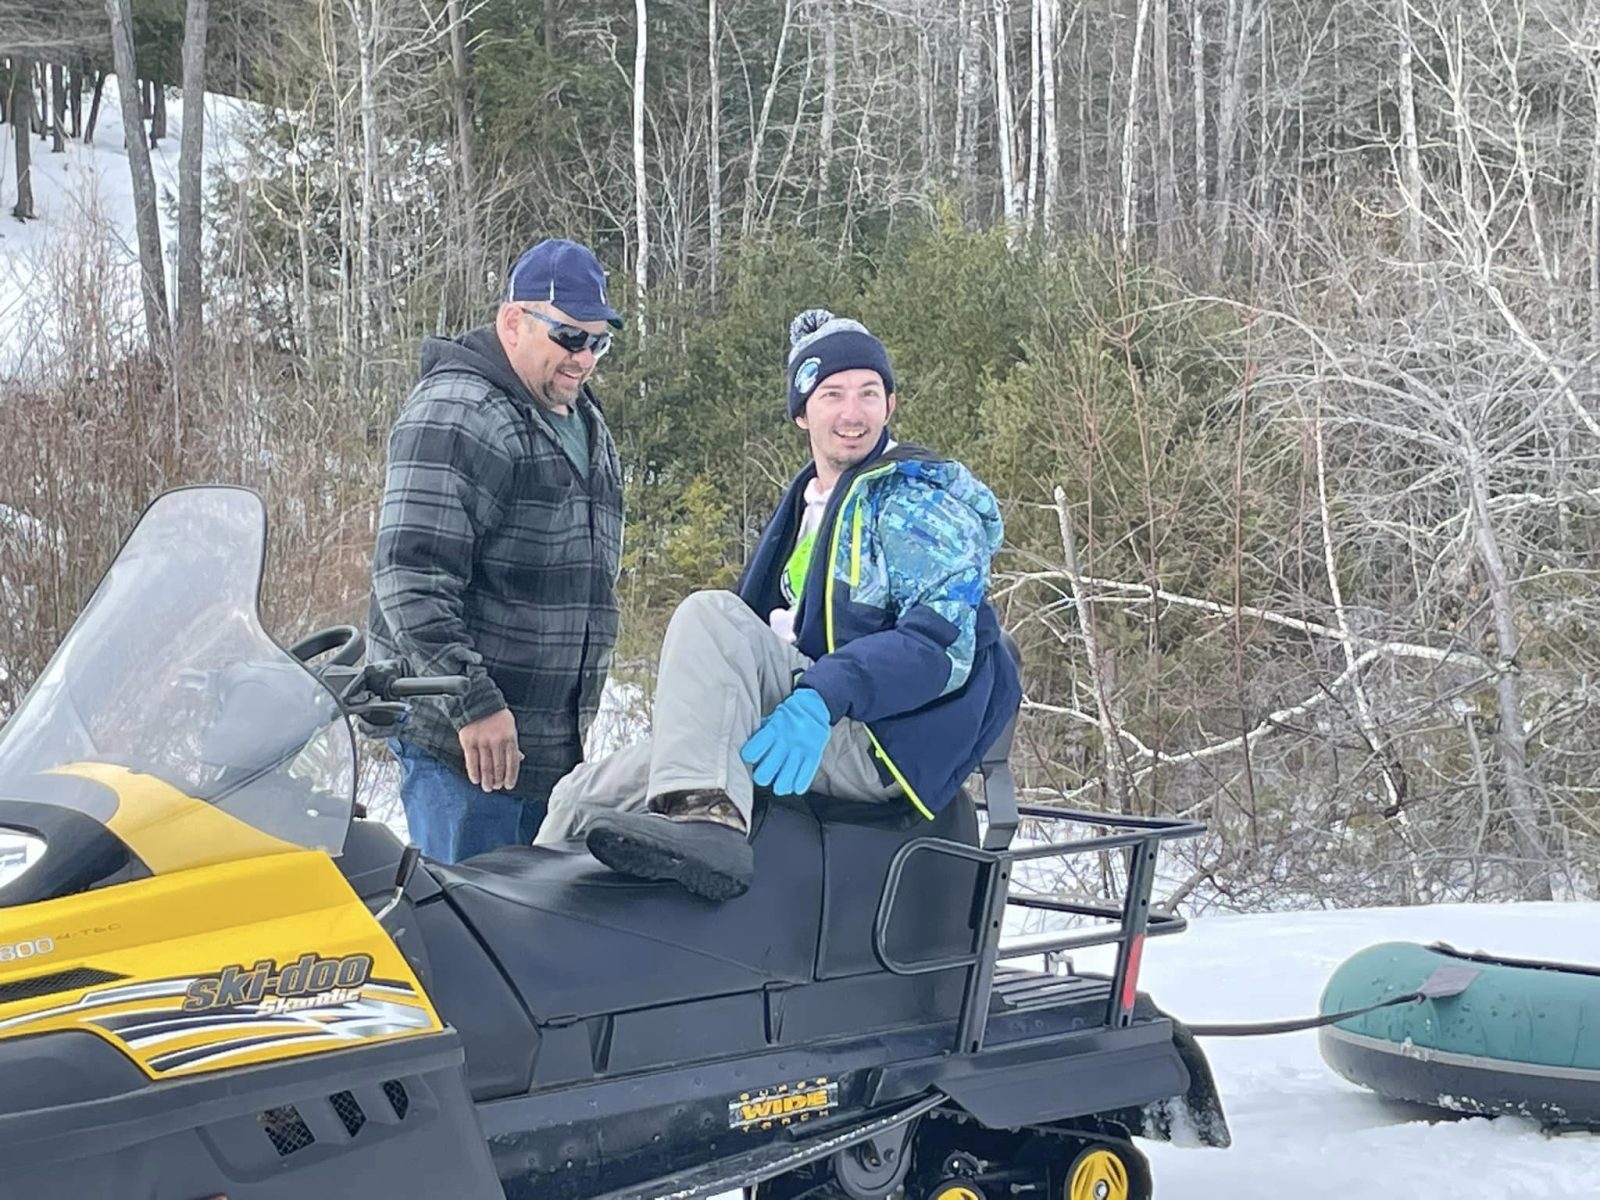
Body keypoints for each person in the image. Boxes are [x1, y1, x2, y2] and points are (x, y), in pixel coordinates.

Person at [535, 309, 1020, 901]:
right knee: (581, 796)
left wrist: (821, 697)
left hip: (872, 734)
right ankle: (523, 930)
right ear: (802, 412)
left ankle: (708, 825)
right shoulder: (812, 503)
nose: (852, 413)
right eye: (833, 394)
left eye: (869, 393)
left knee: (710, 616)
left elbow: (939, 646)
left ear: (890, 405)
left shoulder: (915, 502)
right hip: (804, 710)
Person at [368, 239, 625, 863]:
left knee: (528, 923)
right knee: (465, 920)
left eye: (598, 342)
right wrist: (474, 703)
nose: (584, 358)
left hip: (546, 751)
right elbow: (411, 575)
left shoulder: (578, 417)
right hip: (466, 753)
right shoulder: (459, 410)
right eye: (569, 336)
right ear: (513, 322)